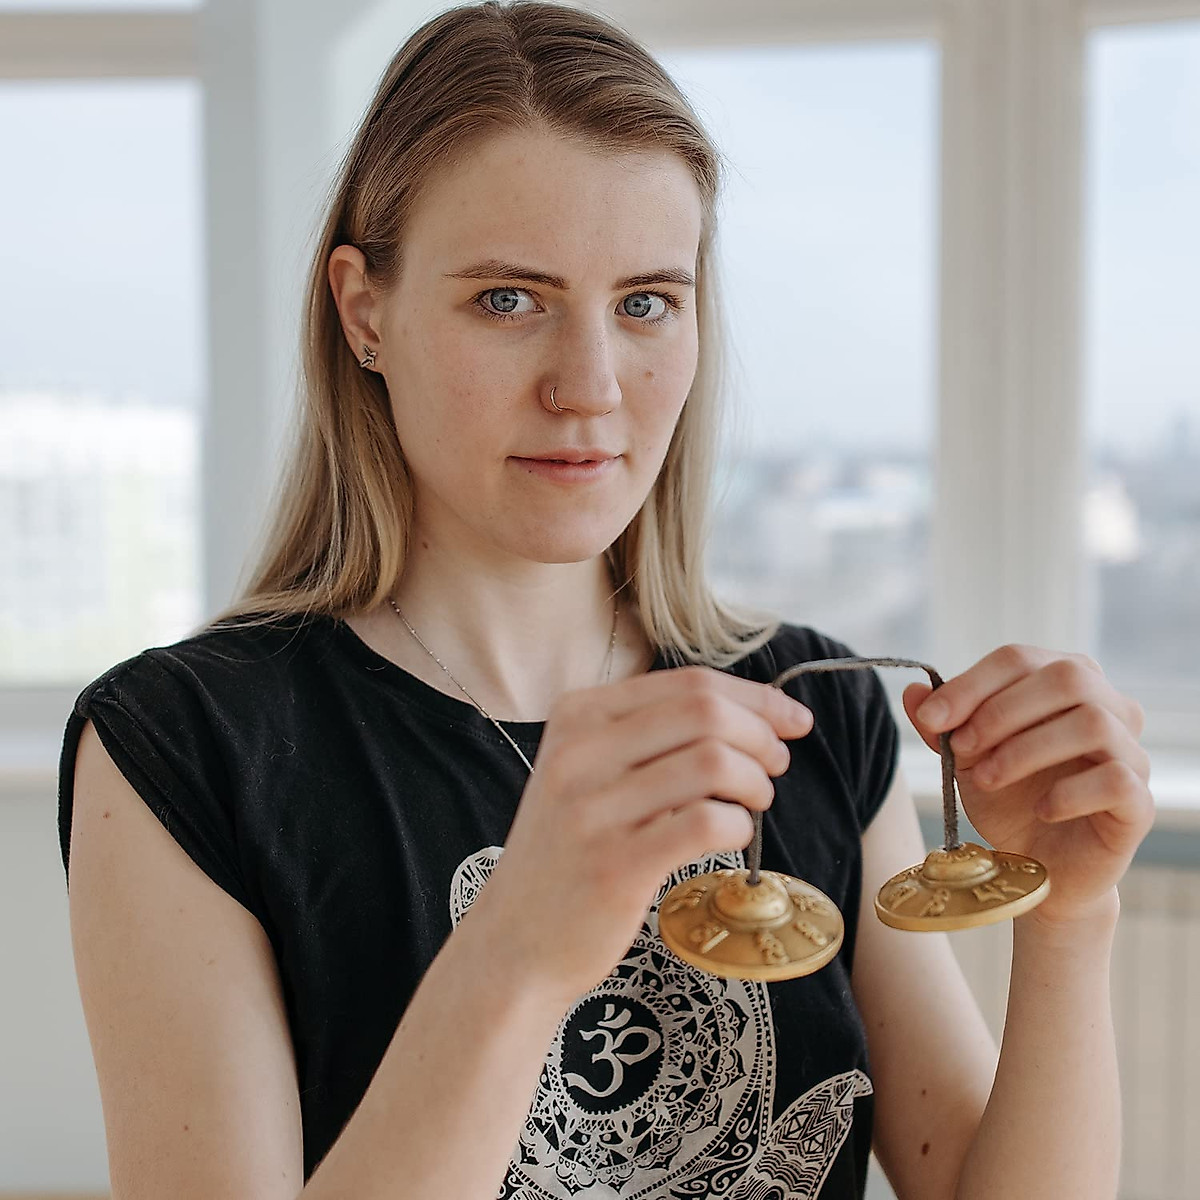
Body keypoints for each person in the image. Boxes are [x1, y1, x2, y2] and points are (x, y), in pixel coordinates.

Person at [58, 3, 1154, 1198]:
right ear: (364, 309)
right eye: (508, 301)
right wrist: (519, 950)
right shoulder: (185, 749)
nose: (589, 389)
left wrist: (1067, 921)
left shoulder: (812, 713)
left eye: (644, 303)